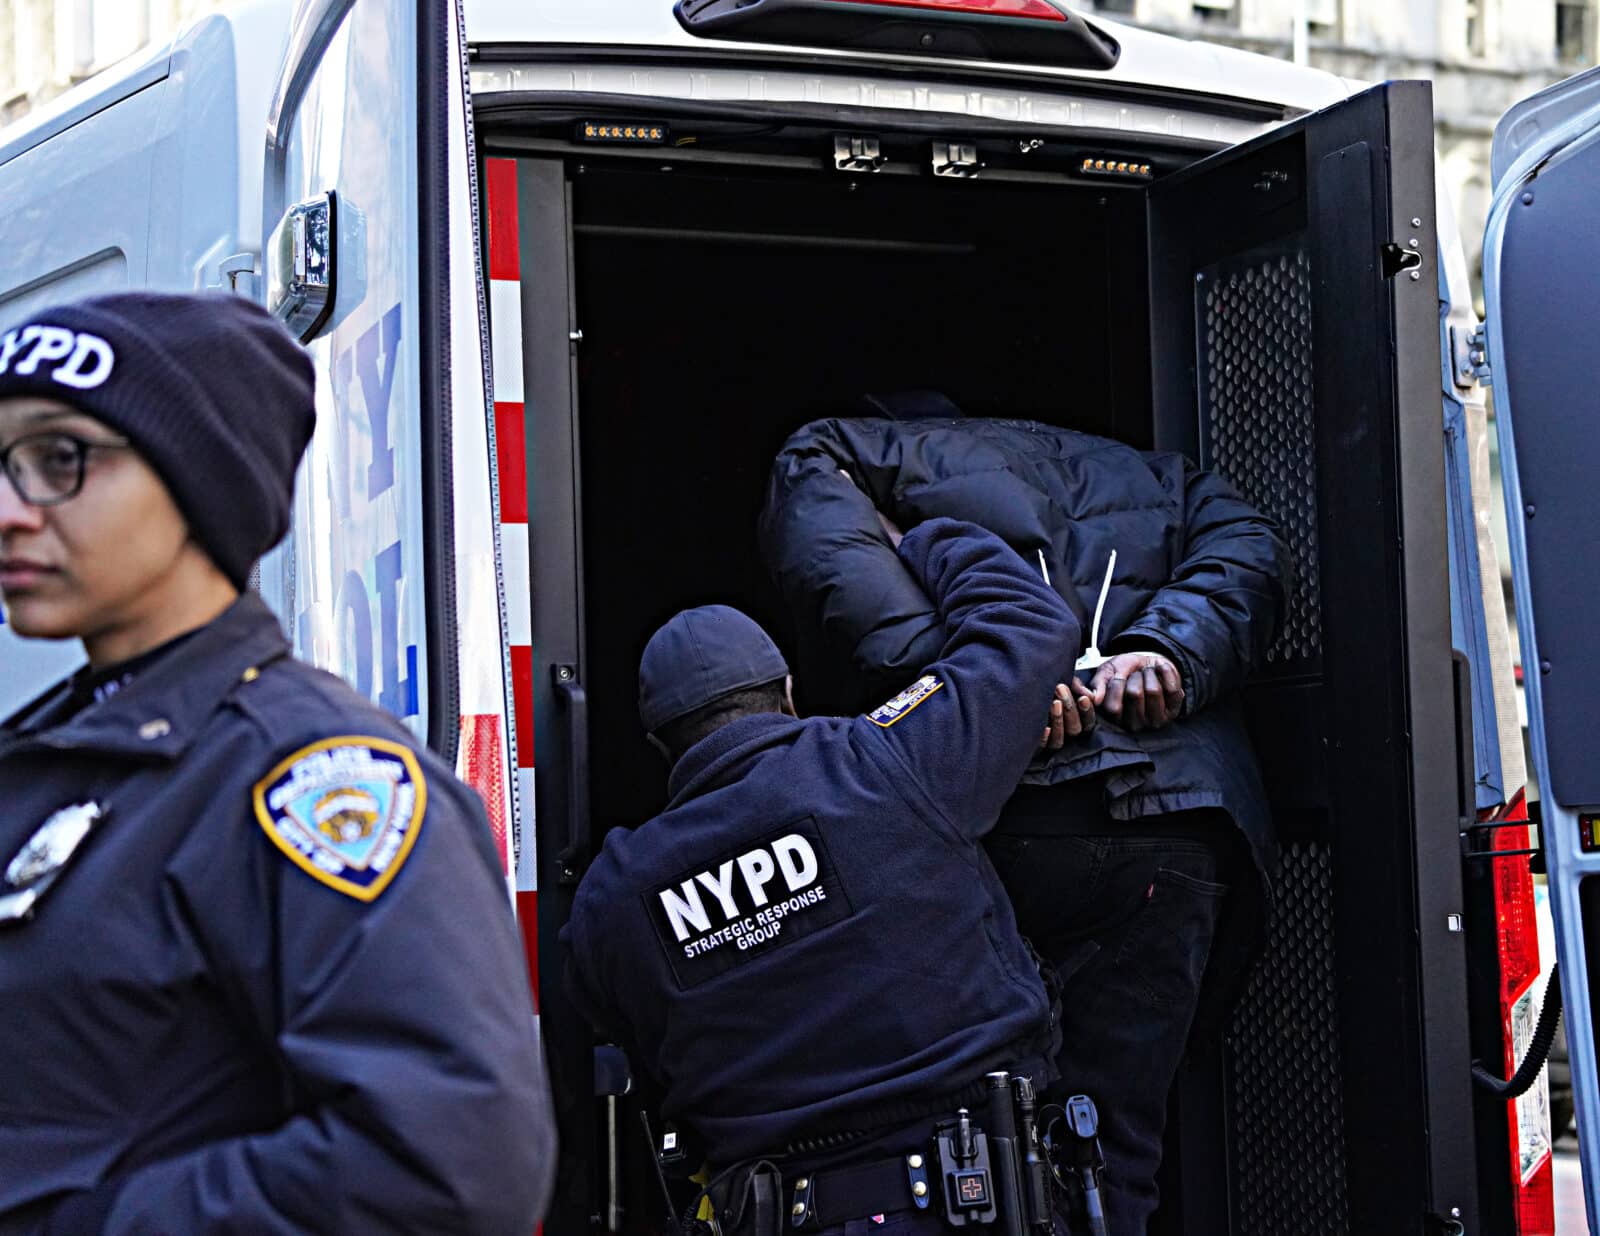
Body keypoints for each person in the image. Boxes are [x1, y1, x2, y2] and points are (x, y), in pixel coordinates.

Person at [0, 291, 555, 1235]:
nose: (9, 512)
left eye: (61, 460)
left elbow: (451, 1160)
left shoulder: (312, 777)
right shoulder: (52, 758)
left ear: (196, 475)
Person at [759, 397, 1289, 1235]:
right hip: (1177, 821)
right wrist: (1165, 651)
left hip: (1002, 814)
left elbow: (831, 555)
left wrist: (977, 687)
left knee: (962, 1139)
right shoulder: (1167, 477)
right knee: (1113, 1146)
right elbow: (1251, 549)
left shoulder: (844, 447)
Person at [563, 516, 1083, 1236]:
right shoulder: (881, 762)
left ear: (661, 746)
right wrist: (916, 541)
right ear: (788, 692)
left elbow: (611, 1030)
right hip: (975, 1198)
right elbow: (1029, 622)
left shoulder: (613, 899)